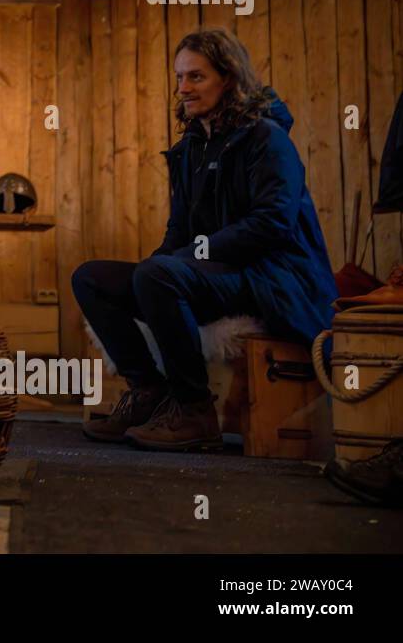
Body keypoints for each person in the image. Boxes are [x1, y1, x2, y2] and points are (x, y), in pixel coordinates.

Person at [73, 27, 337, 451]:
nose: (183, 89)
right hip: (217, 273)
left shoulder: (267, 138)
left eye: (195, 77)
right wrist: (154, 268)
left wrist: (188, 258)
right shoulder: (192, 148)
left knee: (160, 274)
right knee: (91, 278)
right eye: (179, 78)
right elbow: (179, 229)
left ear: (229, 77)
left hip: (271, 277)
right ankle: (148, 391)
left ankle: (195, 409)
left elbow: (273, 223)